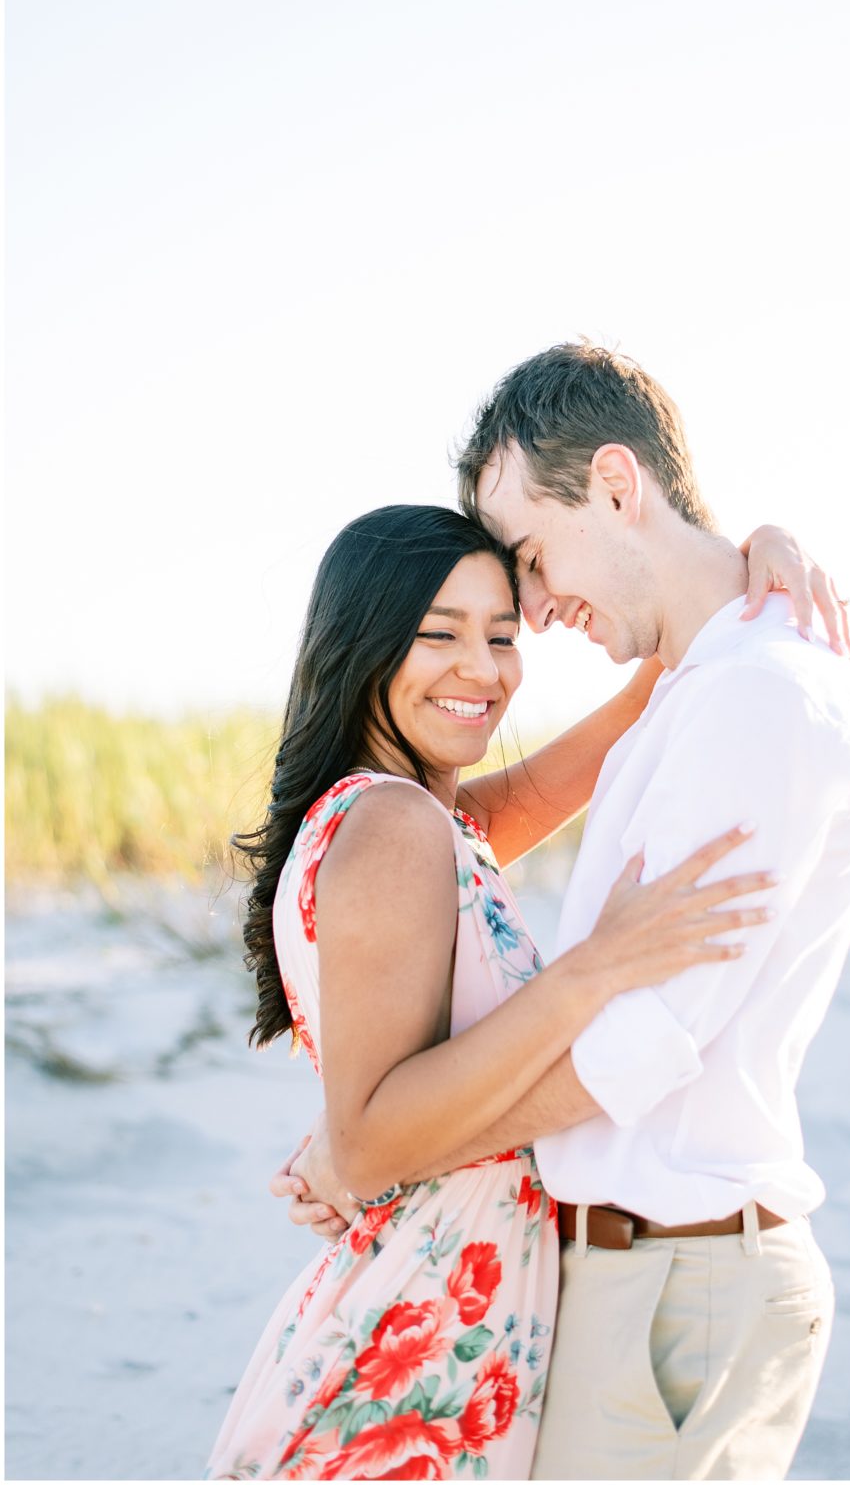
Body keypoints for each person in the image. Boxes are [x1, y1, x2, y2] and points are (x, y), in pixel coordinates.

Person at [284, 343, 850, 1481]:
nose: (526, 614)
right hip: (619, 1276)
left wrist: (374, 1147)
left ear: (615, 485)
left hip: (678, 1280)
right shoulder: (422, 815)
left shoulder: (756, 698)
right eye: (444, 627)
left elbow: (641, 1042)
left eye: (526, 562)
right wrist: (371, 1139)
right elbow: (542, 804)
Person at [207, 501, 796, 1481]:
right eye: (438, 635)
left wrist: (748, 553)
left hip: (440, 1314)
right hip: (415, 1339)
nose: (481, 670)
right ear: (362, 643)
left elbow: (634, 710)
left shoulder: (430, 821)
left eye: (501, 636)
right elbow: (368, 1141)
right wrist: (593, 969)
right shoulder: (394, 827)